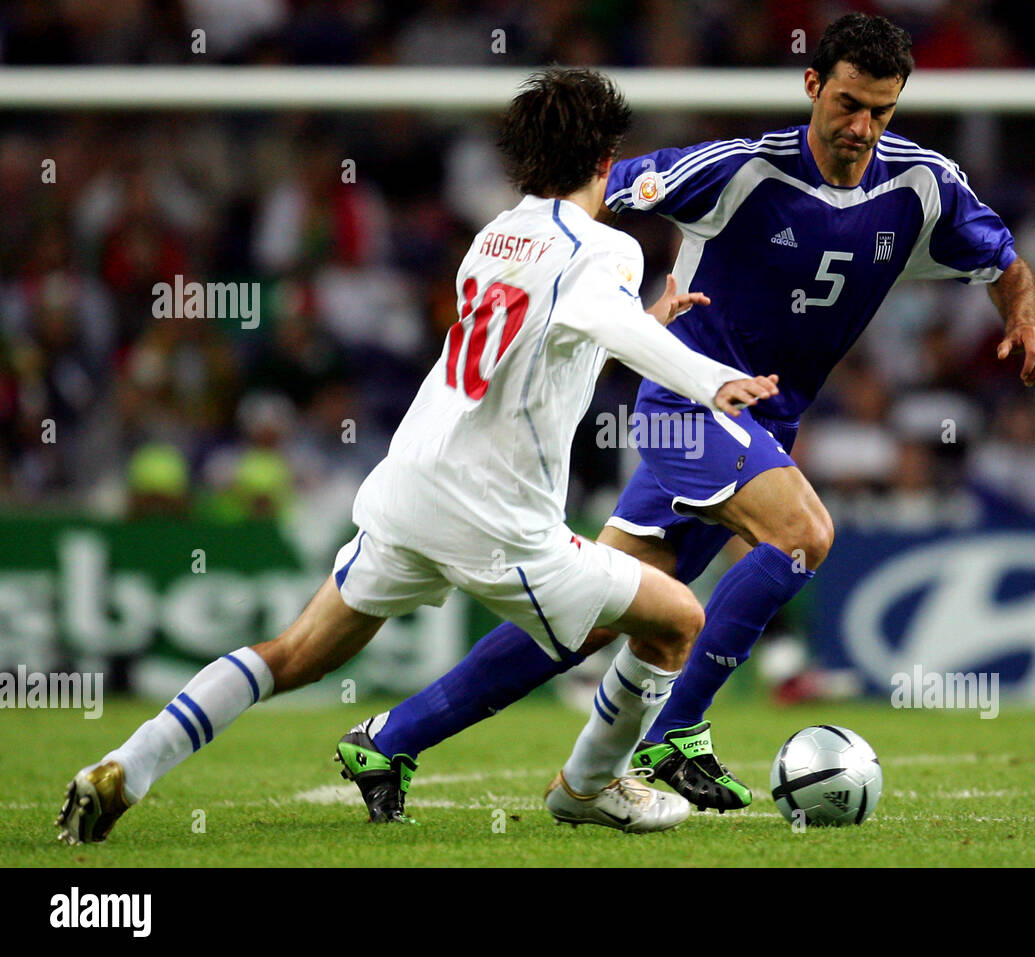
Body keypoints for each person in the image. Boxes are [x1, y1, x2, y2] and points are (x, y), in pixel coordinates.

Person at [335, 12, 1035, 817]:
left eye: (882, 111)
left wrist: (1023, 319)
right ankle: (677, 728)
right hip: (688, 403)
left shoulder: (923, 185)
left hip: (759, 425)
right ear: (812, 85)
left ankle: (402, 738)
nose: (861, 127)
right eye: (849, 104)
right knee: (803, 534)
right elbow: (587, 193)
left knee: (589, 615)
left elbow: (1006, 262)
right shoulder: (739, 171)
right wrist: (572, 294)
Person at [55, 67, 780, 844]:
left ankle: (126, 765)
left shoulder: (492, 238)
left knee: (293, 651)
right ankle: (594, 783)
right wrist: (712, 377)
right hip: (499, 519)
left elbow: (554, 350)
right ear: (608, 160)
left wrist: (646, 322)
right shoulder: (607, 248)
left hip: (411, 488)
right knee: (677, 620)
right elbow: (606, 320)